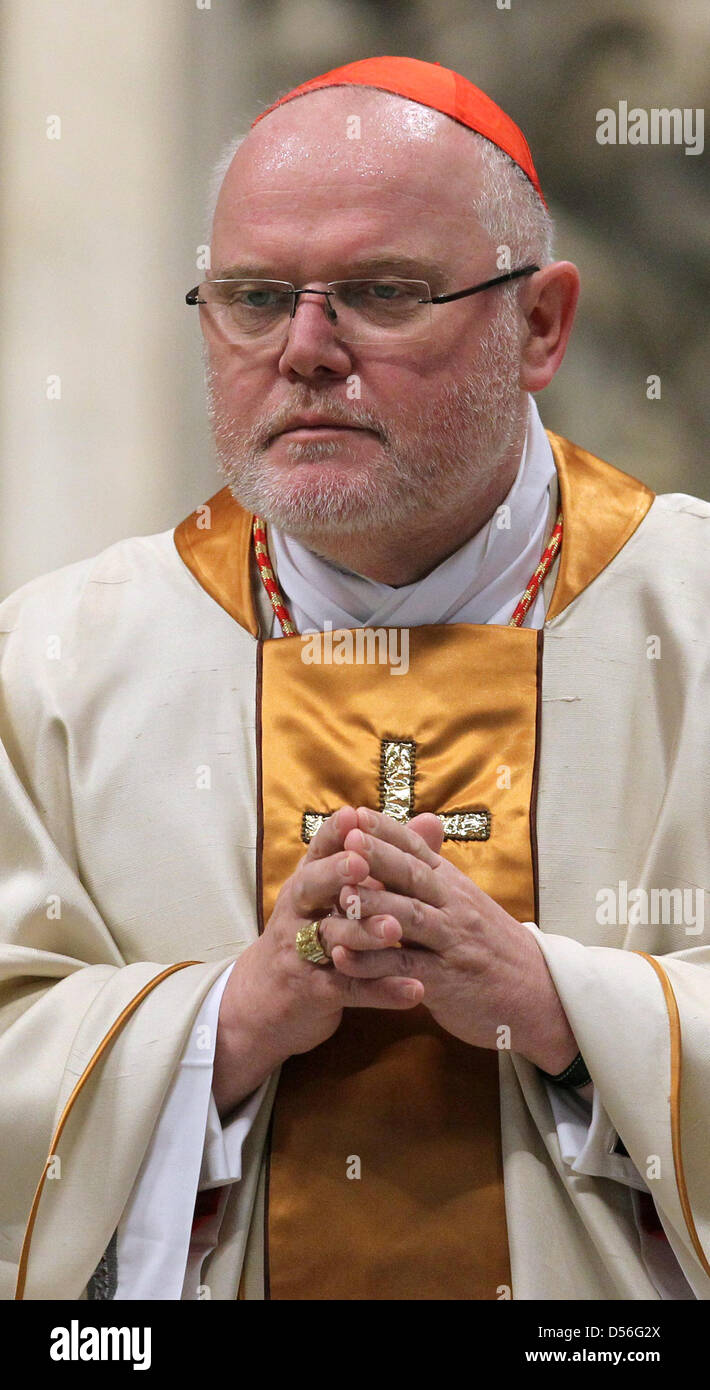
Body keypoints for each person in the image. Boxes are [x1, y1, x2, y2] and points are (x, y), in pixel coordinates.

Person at [2, 55, 709, 1303]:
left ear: (539, 323)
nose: (305, 351)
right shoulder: (55, 665)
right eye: (254, 297)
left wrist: (562, 1007)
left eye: (380, 293)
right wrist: (225, 1022)